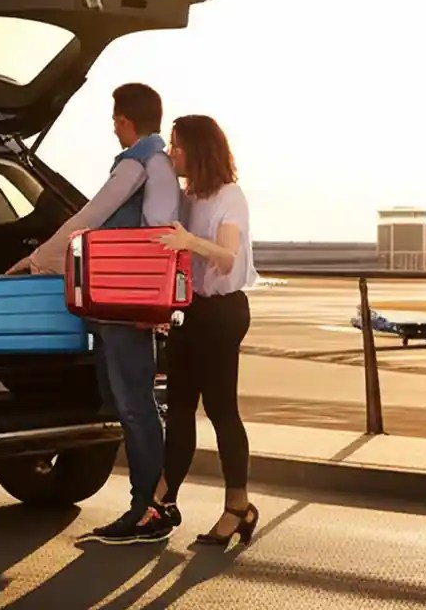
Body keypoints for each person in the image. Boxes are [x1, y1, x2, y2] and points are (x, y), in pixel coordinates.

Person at [6, 82, 181, 544]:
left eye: (114, 119)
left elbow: (90, 217)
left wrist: (38, 258)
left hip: (123, 302)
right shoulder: (159, 163)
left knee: (135, 405)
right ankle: (154, 504)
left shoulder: (136, 163)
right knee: (129, 400)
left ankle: (148, 509)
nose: (113, 127)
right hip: (131, 299)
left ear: (123, 121)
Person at [152, 114, 259, 548]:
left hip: (224, 313)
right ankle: (162, 500)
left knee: (220, 411)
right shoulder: (186, 196)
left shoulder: (229, 197)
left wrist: (188, 242)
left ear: (197, 149)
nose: (171, 153)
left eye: (177, 146)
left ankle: (238, 507)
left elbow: (227, 257)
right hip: (192, 312)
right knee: (177, 409)